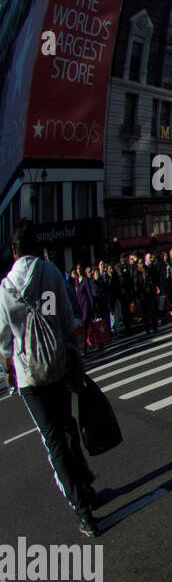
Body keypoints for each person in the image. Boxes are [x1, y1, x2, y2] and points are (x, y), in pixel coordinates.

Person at [0, 221, 99, 537]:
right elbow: (65, 317)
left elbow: (4, 342)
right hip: (57, 363)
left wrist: (8, 369)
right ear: (38, 246)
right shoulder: (52, 273)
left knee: (53, 440)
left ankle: (81, 509)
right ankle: (85, 488)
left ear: (14, 250)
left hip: (29, 375)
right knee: (67, 425)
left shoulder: (6, 289)